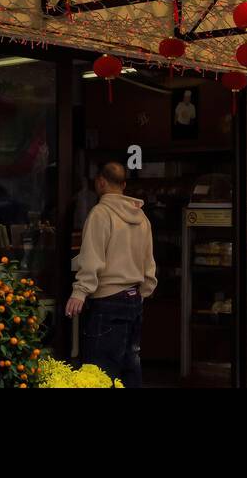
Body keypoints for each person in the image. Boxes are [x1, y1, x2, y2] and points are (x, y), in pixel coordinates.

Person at [65, 162, 157, 387]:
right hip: (134, 299)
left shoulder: (100, 213)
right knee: (130, 368)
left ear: (101, 182)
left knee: (100, 373)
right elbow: (149, 264)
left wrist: (80, 291)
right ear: (124, 185)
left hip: (107, 301)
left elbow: (92, 257)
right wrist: (142, 292)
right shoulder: (142, 217)